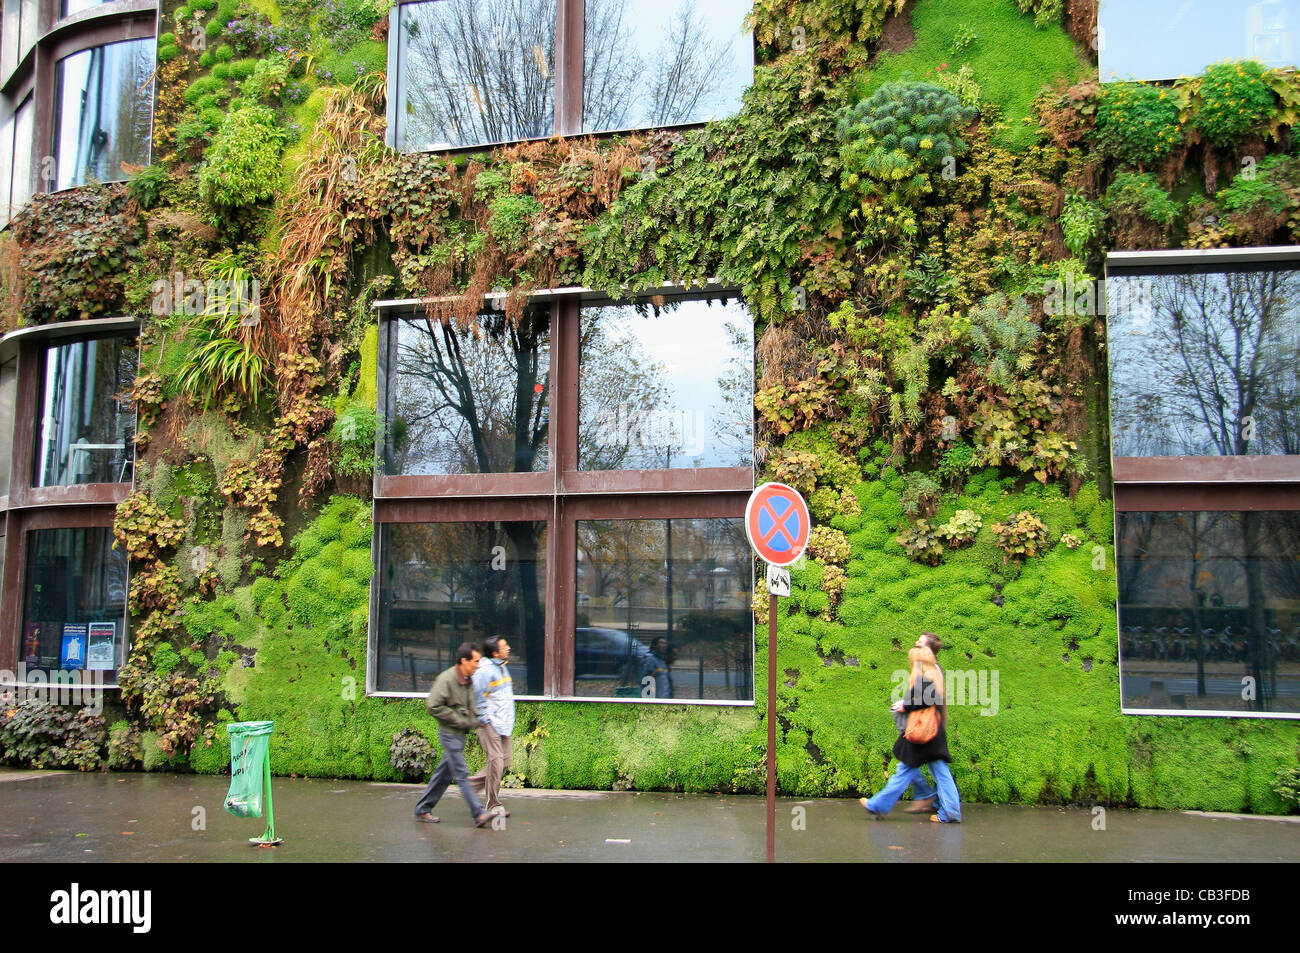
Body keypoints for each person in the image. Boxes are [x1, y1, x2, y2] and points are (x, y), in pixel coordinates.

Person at [860, 638, 962, 823]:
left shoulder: (927, 672)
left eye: (919, 645)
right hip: (931, 731)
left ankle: (879, 805)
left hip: (925, 732)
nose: (915, 646)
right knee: (935, 771)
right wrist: (905, 703)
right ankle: (941, 805)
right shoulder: (931, 670)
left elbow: (926, 699)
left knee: (906, 769)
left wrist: (905, 706)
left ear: (927, 652)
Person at [414, 642, 491, 827]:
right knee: (462, 773)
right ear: (464, 660)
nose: (478, 665)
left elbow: (470, 706)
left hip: (459, 734)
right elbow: (433, 706)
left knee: (444, 775)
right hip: (449, 734)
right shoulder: (447, 679)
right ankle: (479, 814)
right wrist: (460, 720)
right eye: (475, 661)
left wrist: (477, 720)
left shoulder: (468, 680)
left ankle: (423, 808)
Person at [469, 636, 515, 817]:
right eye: (504, 647)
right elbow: (475, 695)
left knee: (505, 761)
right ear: (495, 653)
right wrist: (484, 719)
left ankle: (468, 786)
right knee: (496, 761)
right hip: (489, 723)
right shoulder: (485, 671)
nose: (508, 648)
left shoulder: (502, 667)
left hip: (502, 724)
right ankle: (493, 805)